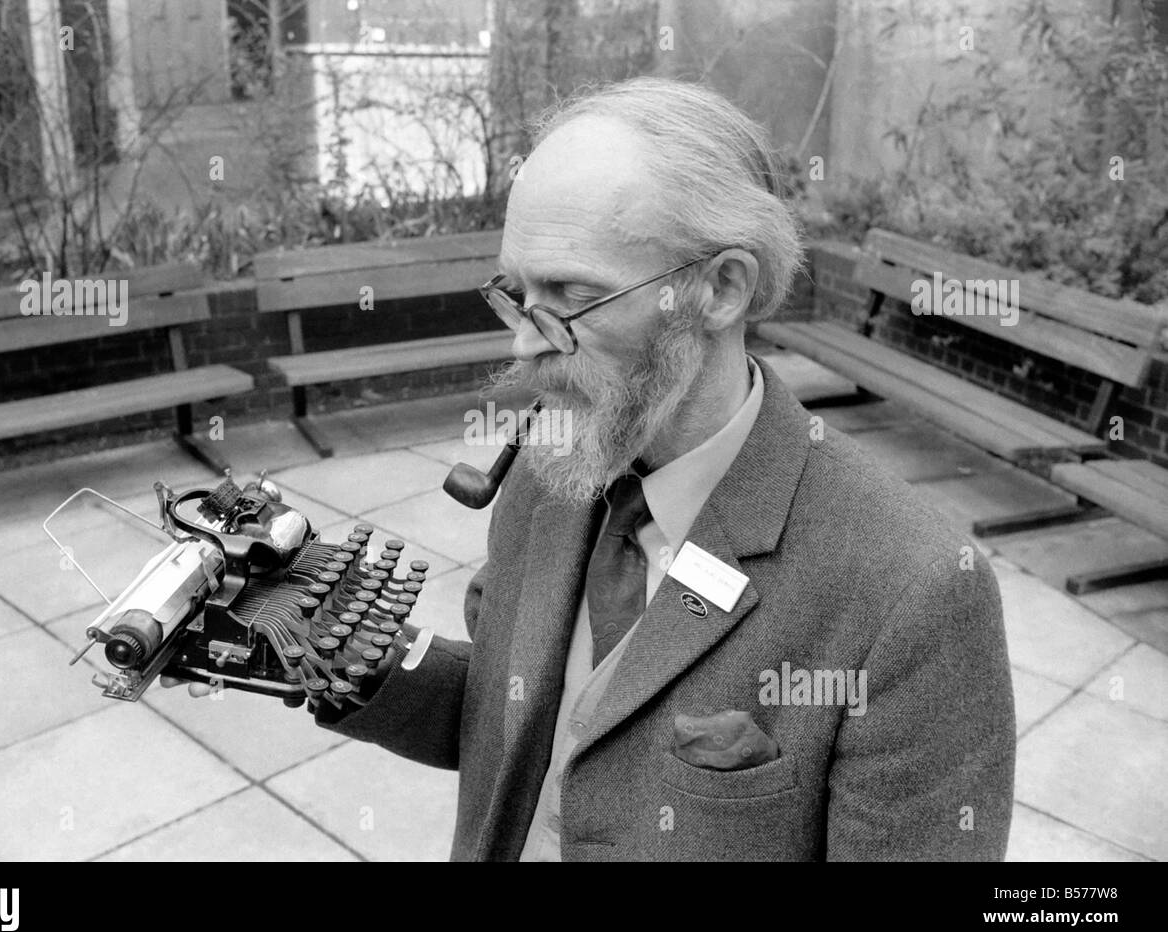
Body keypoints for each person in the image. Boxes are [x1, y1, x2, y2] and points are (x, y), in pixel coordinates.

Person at [188, 77, 1018, 861]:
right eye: (514, 293)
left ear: (720, 290)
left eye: (571, 297)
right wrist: (327, 637)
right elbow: (512, 712)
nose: (524, 345)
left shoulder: (914, 589)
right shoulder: (551, 473)